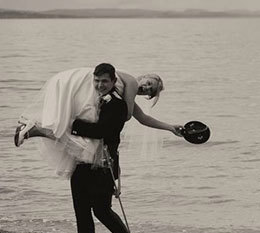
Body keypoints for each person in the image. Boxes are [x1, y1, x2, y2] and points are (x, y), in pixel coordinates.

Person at [14, 67, 182, 177]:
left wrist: (170, 128)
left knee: (77, 136)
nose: (146, 87)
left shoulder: (124, 96)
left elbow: (143, 119)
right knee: (78, 135)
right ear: (145, 76)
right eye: (149, 83)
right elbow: (128, 115)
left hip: (81, 86)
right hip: (84, 85)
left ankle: (33, 129)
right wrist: (116, 112)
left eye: (150, 91)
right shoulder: (130, 82)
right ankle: (35, 128)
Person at [69, 64, 137, 233]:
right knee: (81, 212)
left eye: (105, 81)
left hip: (104, 164)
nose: (100, 85)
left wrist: (71, 124)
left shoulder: (117, 105)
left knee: (102, 210)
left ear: (114, 82)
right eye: (97, 81)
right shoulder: (90, 101)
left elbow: (101, 131)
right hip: (82, 161)